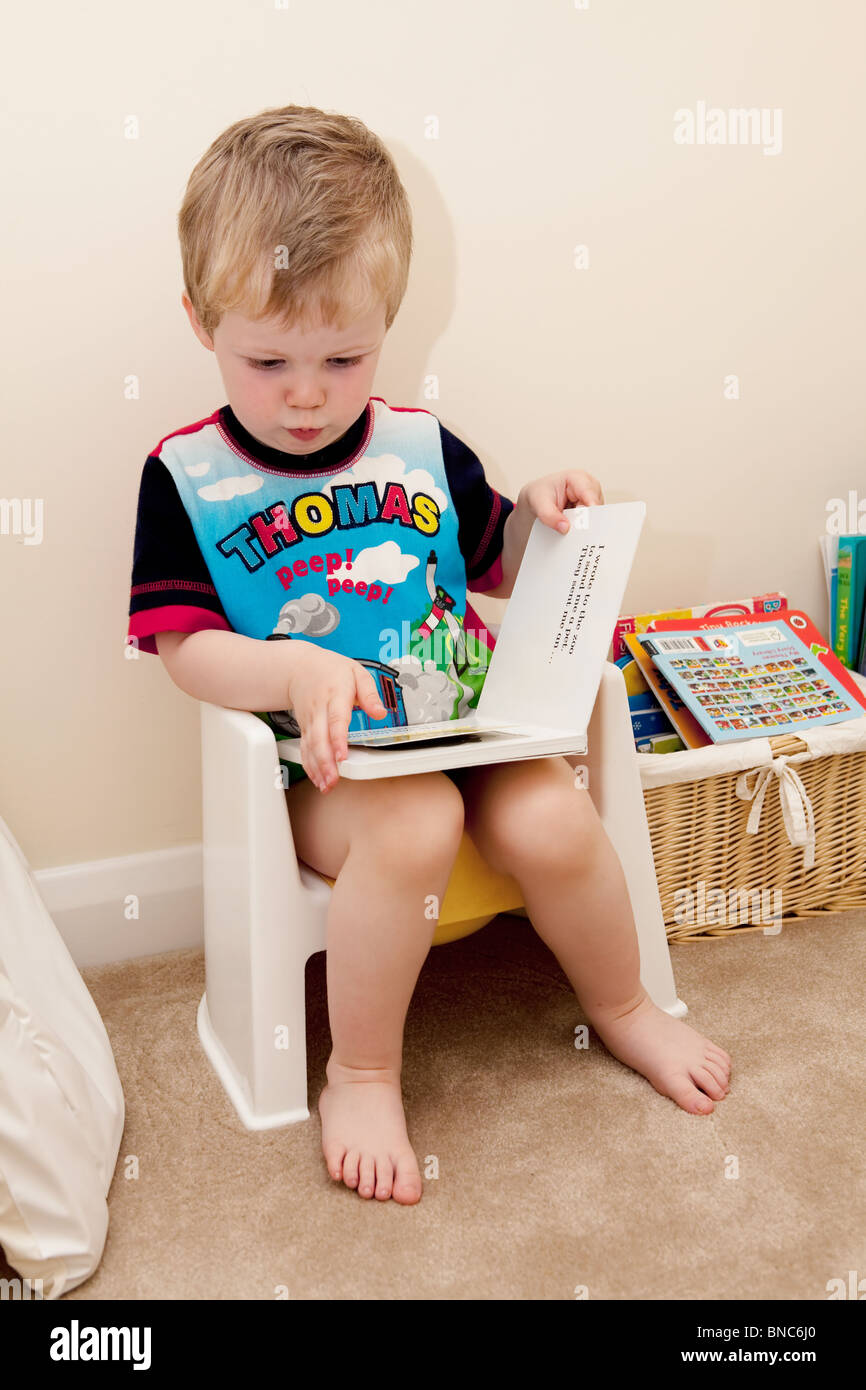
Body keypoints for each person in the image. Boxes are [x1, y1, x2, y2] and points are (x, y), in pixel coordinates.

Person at [128, 104, 731, 1206]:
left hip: (465, 723)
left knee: (554, 815)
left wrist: (539, 511)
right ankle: (359, 1071)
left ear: (388, 327)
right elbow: (182, 649)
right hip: (326, 768)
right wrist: (291, 673)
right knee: (414, 824)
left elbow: (491, 555)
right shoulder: (185, 476)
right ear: (199, 320)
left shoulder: (420, 446)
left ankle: (625, 1005)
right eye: (266, 359)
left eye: (342, 355)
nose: (305, 393)